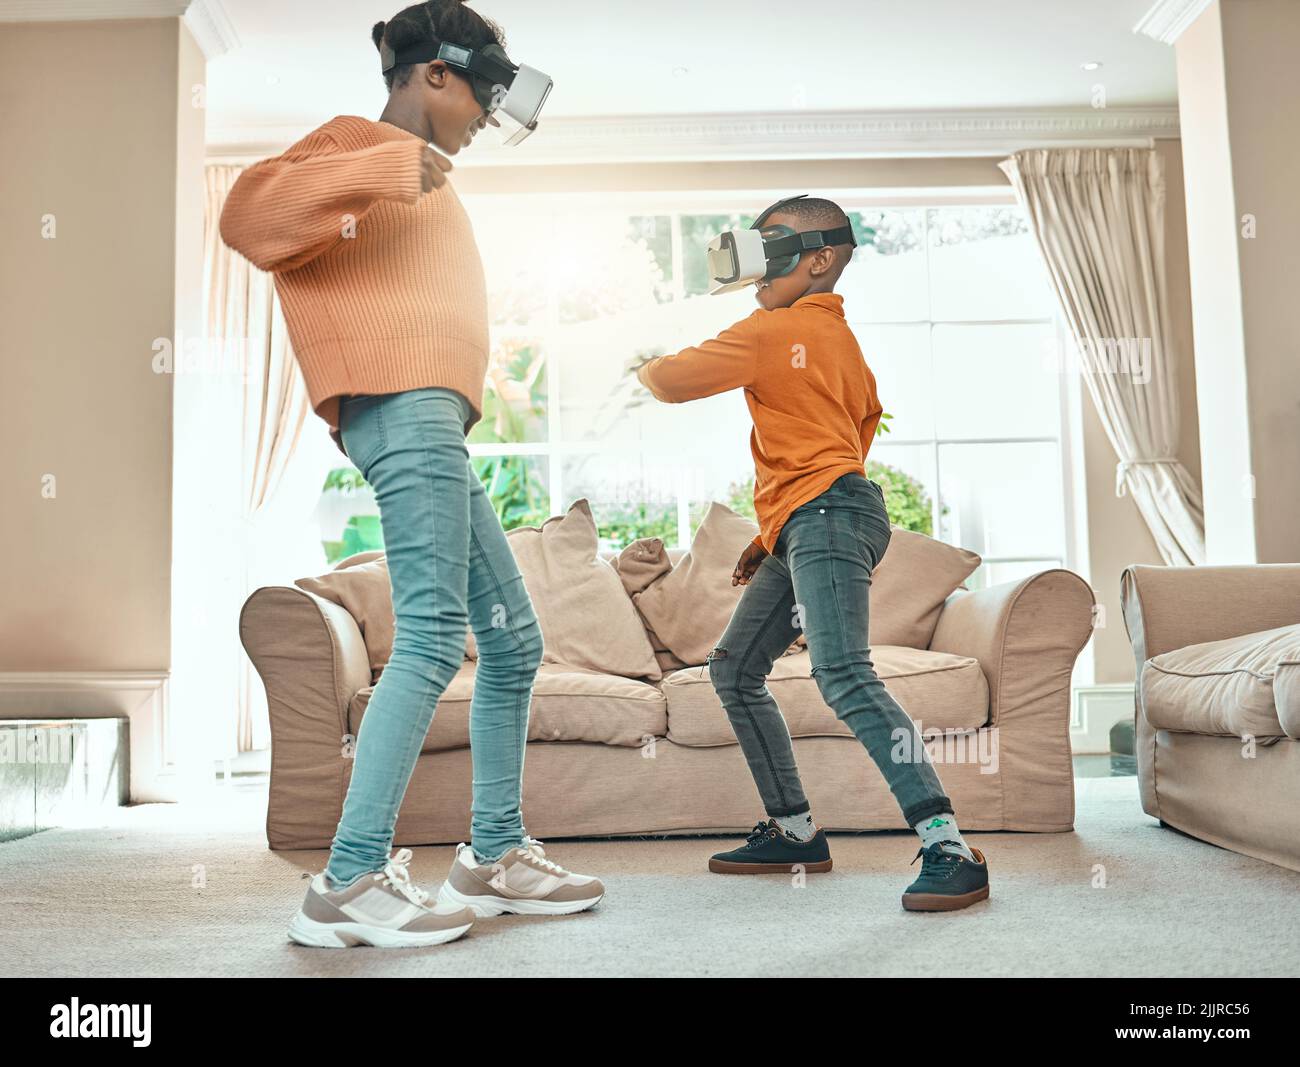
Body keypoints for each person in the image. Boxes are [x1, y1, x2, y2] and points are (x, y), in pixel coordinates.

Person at [220, 0, 603, 949]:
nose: (482, 119)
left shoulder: (433, 181)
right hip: (400, 405)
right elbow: (246, 217)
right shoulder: (352, 147)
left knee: (512, 643)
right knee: (433, 637)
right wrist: (386, 164)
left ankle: (494, 853)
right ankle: (346, 883)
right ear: (435, 72)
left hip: (438, 417)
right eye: (480, 95)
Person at [635, 196, 990, 911]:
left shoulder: (778, 329)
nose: (760, 260)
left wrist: (643, 365)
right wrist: (774, 536)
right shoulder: (839, 340)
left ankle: (947, 843)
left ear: (821, 257)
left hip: (825, 514)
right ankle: (795, 831)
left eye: (775, 244)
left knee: (844, 673)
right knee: (735, 669)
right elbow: (848, 438)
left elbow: (672, 381)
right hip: (824, 510)